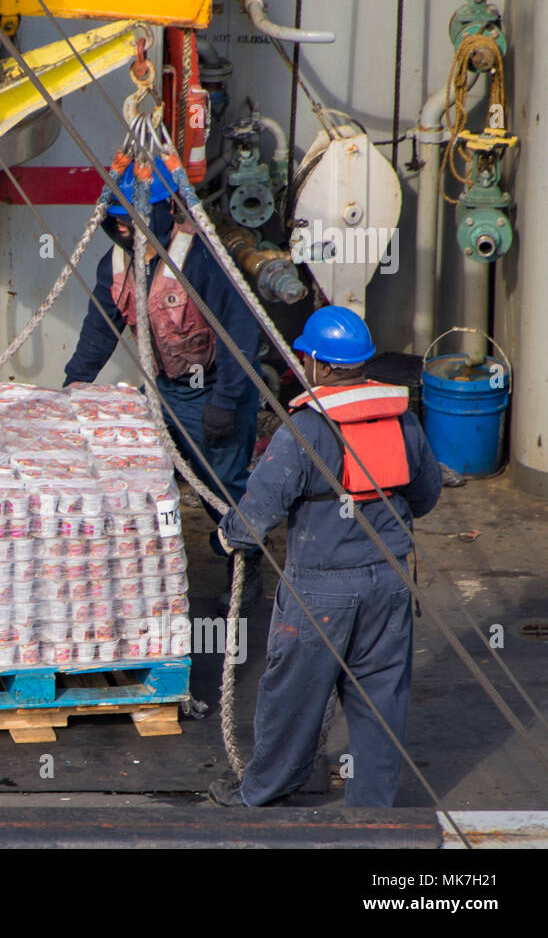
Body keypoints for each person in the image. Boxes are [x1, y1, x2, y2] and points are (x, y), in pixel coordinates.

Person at [208, 306, 442, 808]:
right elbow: (425, 494)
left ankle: (265, 793)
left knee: (292, 696)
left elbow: (256, 516)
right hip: (390, 580)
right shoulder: (401, 419)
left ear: (318, 364)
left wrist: (225, 538)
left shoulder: (304, 432)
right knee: (381, 698)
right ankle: (372, 809)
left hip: (321, 590)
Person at [63, 157, 265, 610]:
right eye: (113, 221)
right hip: (162, 389)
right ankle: (141, 573)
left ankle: (245, 566)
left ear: (164, 211)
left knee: (224, 484)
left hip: (214, 388)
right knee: (135, 473)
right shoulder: (114, 263)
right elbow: (101, 325)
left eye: (129, 219)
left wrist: (226, 403)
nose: (122, 230)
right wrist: (76, 382)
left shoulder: (201, 260)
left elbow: (241, 333)